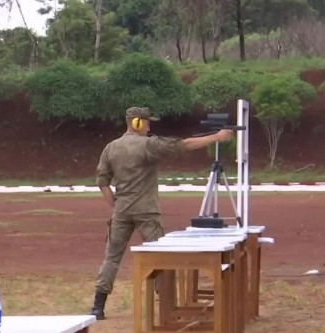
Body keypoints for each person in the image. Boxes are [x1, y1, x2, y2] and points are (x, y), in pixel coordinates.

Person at [88, 107, 234, 320]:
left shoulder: (111, 148)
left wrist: (116, 206)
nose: (150, 125)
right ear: (138, 123)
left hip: (122, 210)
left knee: (111, 258)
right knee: (159, 257)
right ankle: (166, 305)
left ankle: (98, 307)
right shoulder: (148, 144)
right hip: (147, 211)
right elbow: (183, 145)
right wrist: (216, 137)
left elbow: (103, 182)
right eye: (147, 122)